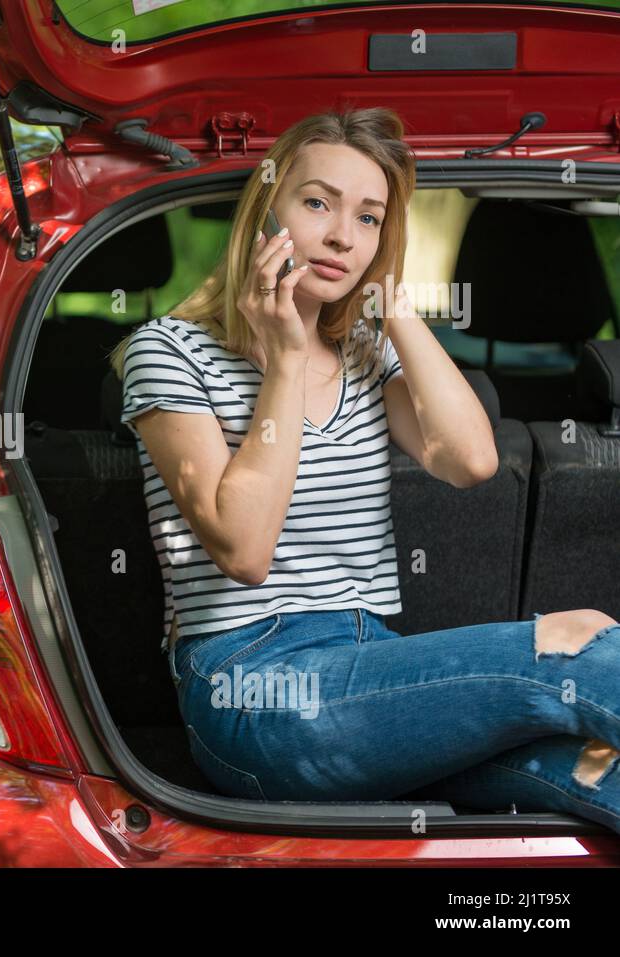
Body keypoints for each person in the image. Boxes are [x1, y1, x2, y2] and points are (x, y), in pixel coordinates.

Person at [108, 107, 620, 833]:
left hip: (372, 670)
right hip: (255, 691)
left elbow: (471, 460)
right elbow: (245, 549)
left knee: (594, 763)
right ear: (266, 206)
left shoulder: (362, 353)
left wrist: (395, 308)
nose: (343, 235)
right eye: (317, 202)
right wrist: (284, 358)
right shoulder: (168, 351)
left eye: (371, 218)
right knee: (580, 644)